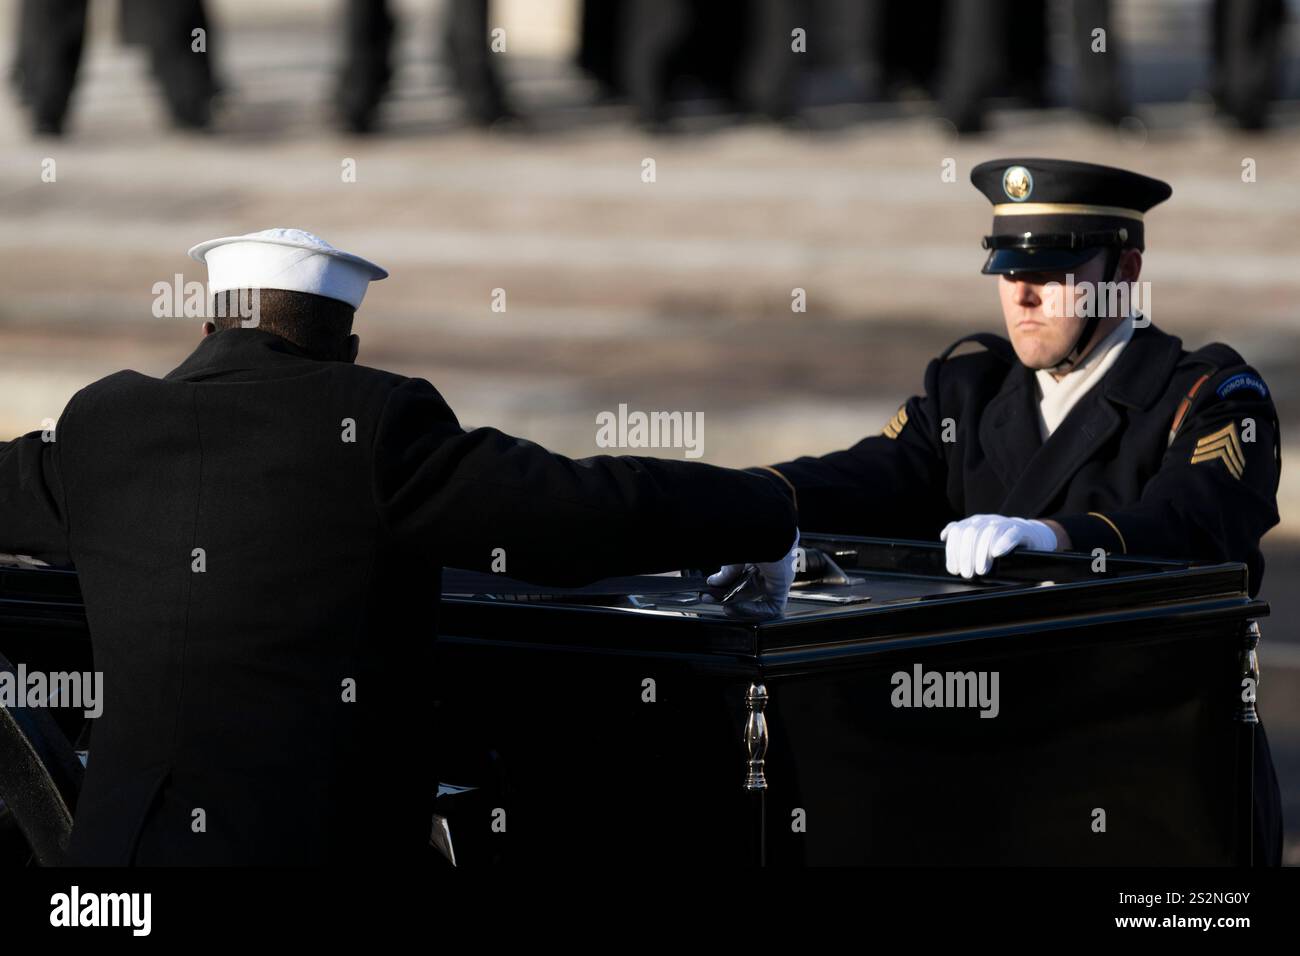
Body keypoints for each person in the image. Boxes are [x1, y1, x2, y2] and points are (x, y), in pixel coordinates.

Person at [0, 228, 797, 865]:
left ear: (208, 326)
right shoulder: (376, 423)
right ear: (346, 349)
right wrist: (766, 506)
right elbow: (581, 511)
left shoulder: (102, 424)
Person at [736, 158, 1284, 864]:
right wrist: (746, 505)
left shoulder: (1209, 397)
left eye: (1053, 275)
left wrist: (1055, 537)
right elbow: (868, 476)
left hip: (1152, 780)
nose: (1023, 297)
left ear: (1125, 271)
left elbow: (1191, 526)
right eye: (1008, 272)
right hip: (998, 779)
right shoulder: (970, 390)